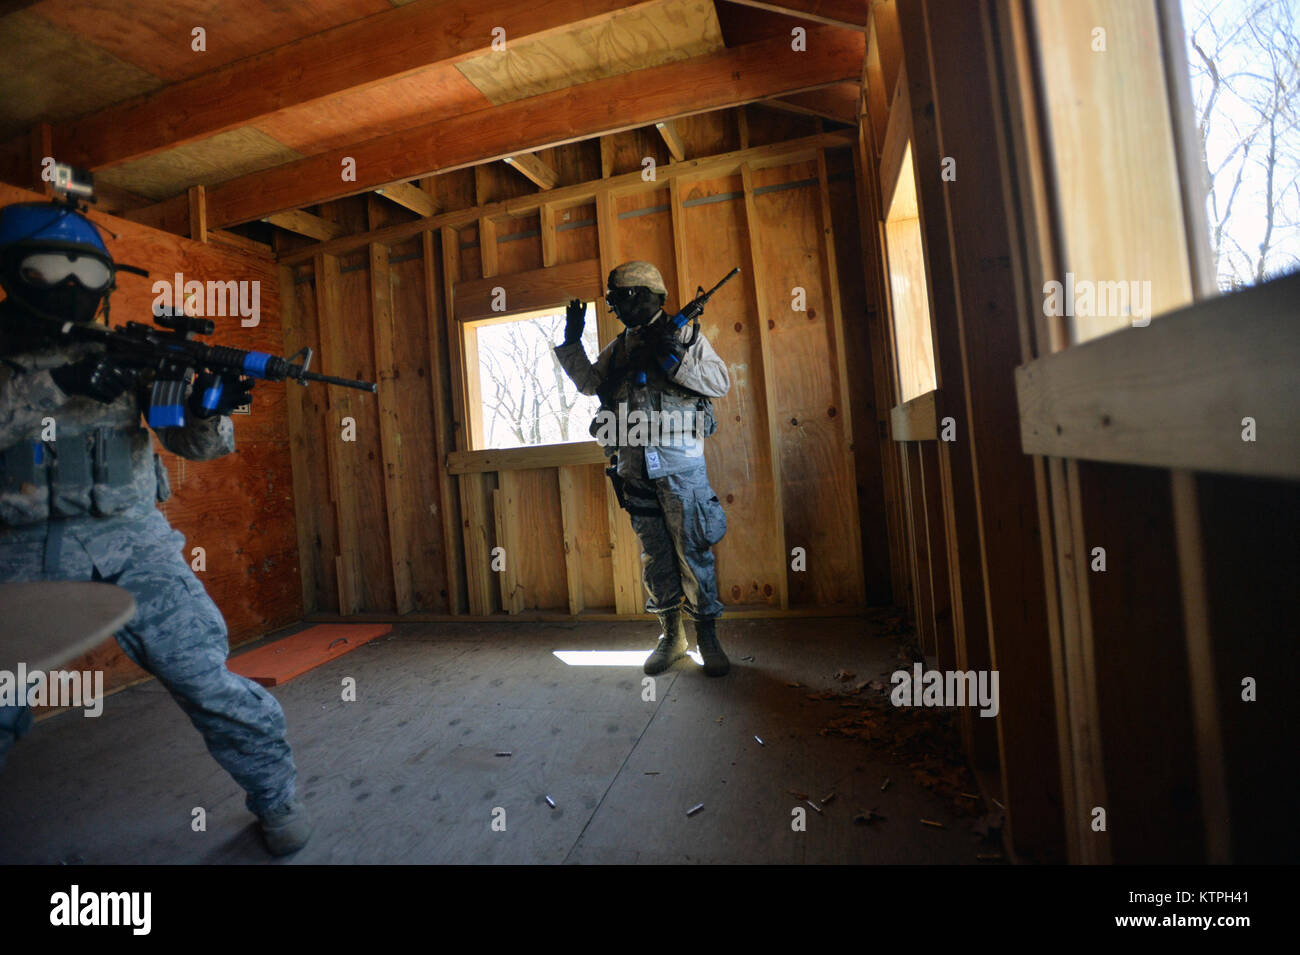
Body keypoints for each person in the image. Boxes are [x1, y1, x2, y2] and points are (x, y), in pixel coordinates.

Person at [0, 199, 312, 856]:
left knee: (205, 675)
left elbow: (195, 445)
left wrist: (207, 406)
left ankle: (277, 796)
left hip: (134, 541)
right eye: (51, 269)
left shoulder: (124, 353)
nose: (71, 288)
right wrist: (56, 385)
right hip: (19, 551)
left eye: (86, 275)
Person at [555, 260, 733, 676]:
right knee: (655, 556)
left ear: (650, 294)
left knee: (693, 550)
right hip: (635, 467)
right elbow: (589, 383)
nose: (620, 305)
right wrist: (571, 343)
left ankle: (707, 636)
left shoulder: (685, 334)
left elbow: (720, 382)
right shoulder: (622, 346)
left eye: (627, 295)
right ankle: (672, 636)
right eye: (616, 298)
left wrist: (674, 359)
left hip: (680, 466)